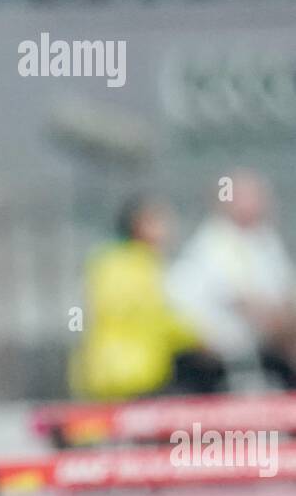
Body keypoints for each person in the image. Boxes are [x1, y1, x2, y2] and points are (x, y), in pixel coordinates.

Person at [69, 196, 224, 404]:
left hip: (102, 369)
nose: (168, 229)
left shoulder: (108, 261)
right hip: (134, 370)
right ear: (139, 225)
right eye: (159, 221)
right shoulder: (140, 264)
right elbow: (157, 314)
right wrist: (197, 338)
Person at [167, 170, 296, 388]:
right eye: (247, 196)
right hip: (218, 362)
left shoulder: (264, 240)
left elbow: (285, 292)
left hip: (261, 353)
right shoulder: (214, 244)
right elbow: (246, 303)